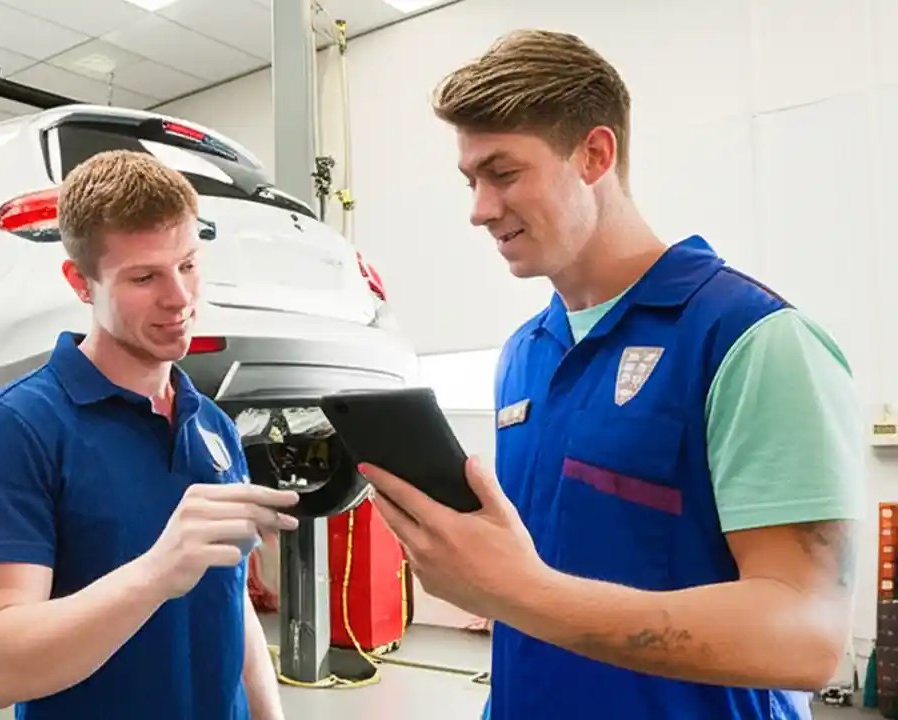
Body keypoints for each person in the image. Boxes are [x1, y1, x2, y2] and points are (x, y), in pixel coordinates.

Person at [357, 29, 864, 719]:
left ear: (595, 154)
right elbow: (540, 585)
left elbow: (806, 640)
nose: (478, 208)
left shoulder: (751, 340)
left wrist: (514, 590)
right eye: (471, 179)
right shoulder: (524, 354)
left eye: (503, 173)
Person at [0, 149, 299, 719]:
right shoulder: (17, 426)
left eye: (187, 265)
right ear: (81, 283)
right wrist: (158, 572)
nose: (180, 298)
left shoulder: (212, 426)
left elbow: (229, 599)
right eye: (145, 277)